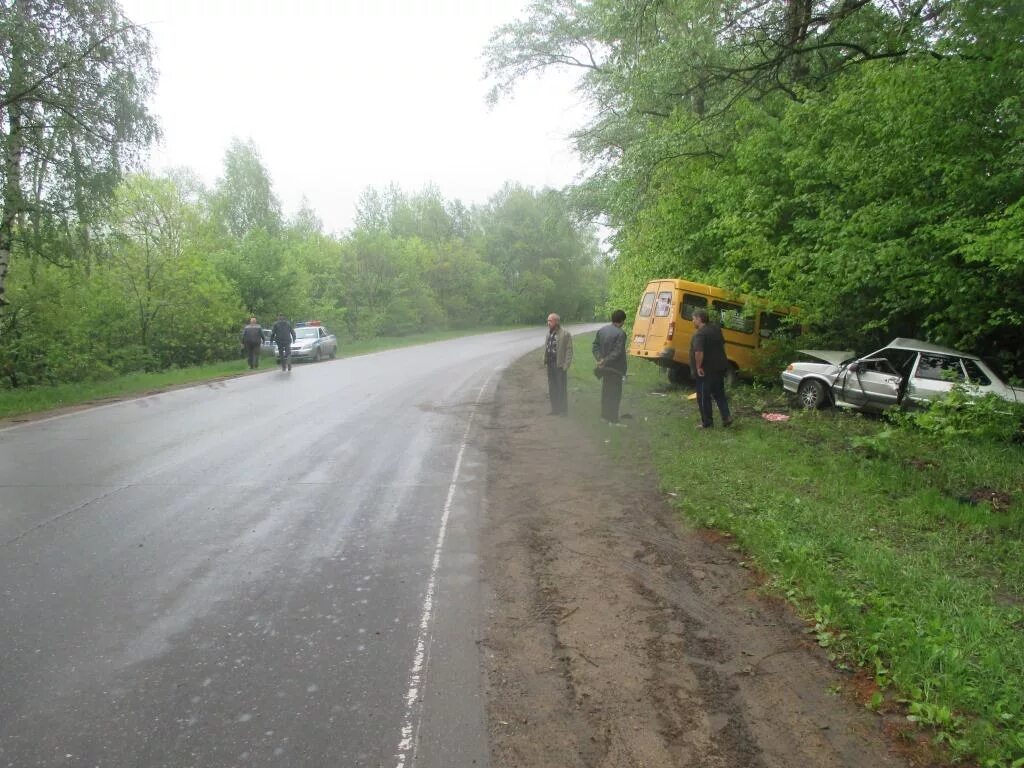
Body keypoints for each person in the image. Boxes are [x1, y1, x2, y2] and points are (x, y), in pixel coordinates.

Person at [689, 308, 732, 429]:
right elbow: (722, 345)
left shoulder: (700, 334)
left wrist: (698, 367)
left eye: (693, 319)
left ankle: (707, 423)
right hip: (720, 367)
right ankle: (726, 417)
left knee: (703, 396)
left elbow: (698, 352)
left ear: (699, 319)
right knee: (719, 393)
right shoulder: (716, 329)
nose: (693, 321)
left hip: (706, 370)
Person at [592, 309, 628, 424]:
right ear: (622, 321)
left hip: (604, 368)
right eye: (623, 321)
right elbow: (617, 352)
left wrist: (600, 359)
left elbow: (595, 347)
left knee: (606, 392)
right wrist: (605, 360)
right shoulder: (621, 333)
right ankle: (613, 419)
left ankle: (604, 416)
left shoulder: (602, 330)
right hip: (616, 369)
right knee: (615, 394)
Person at [543, 313, 574, 415]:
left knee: (561, 388)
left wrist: (566, 365)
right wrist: (545, 359)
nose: (548, 323)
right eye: (548, 321)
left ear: (556, 322)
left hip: (559, 365)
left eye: (550, 321)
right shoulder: (549, 334)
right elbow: (547, 347)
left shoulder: (565, 334)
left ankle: (563, 410)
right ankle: (555, 409)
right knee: (552, 387)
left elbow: (569, 350)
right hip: (550, 364)